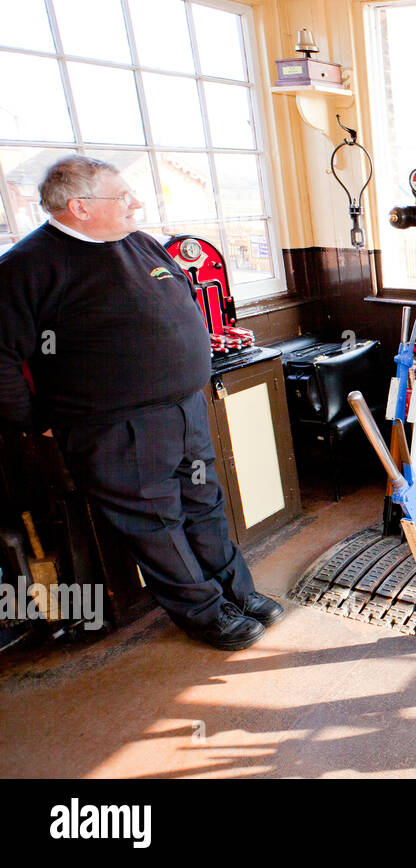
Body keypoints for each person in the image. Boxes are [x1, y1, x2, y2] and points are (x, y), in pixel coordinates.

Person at [0, 155, 282, 650]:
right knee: (157, 525)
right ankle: (205, 614)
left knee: (205, 505)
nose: (137, 202)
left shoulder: (140, 243)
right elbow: (1, 357)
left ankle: (237, 593)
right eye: (122, 196)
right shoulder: (26, 267)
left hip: (184, 412)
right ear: (79, 207)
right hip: (114, 429)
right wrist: (33, 420)